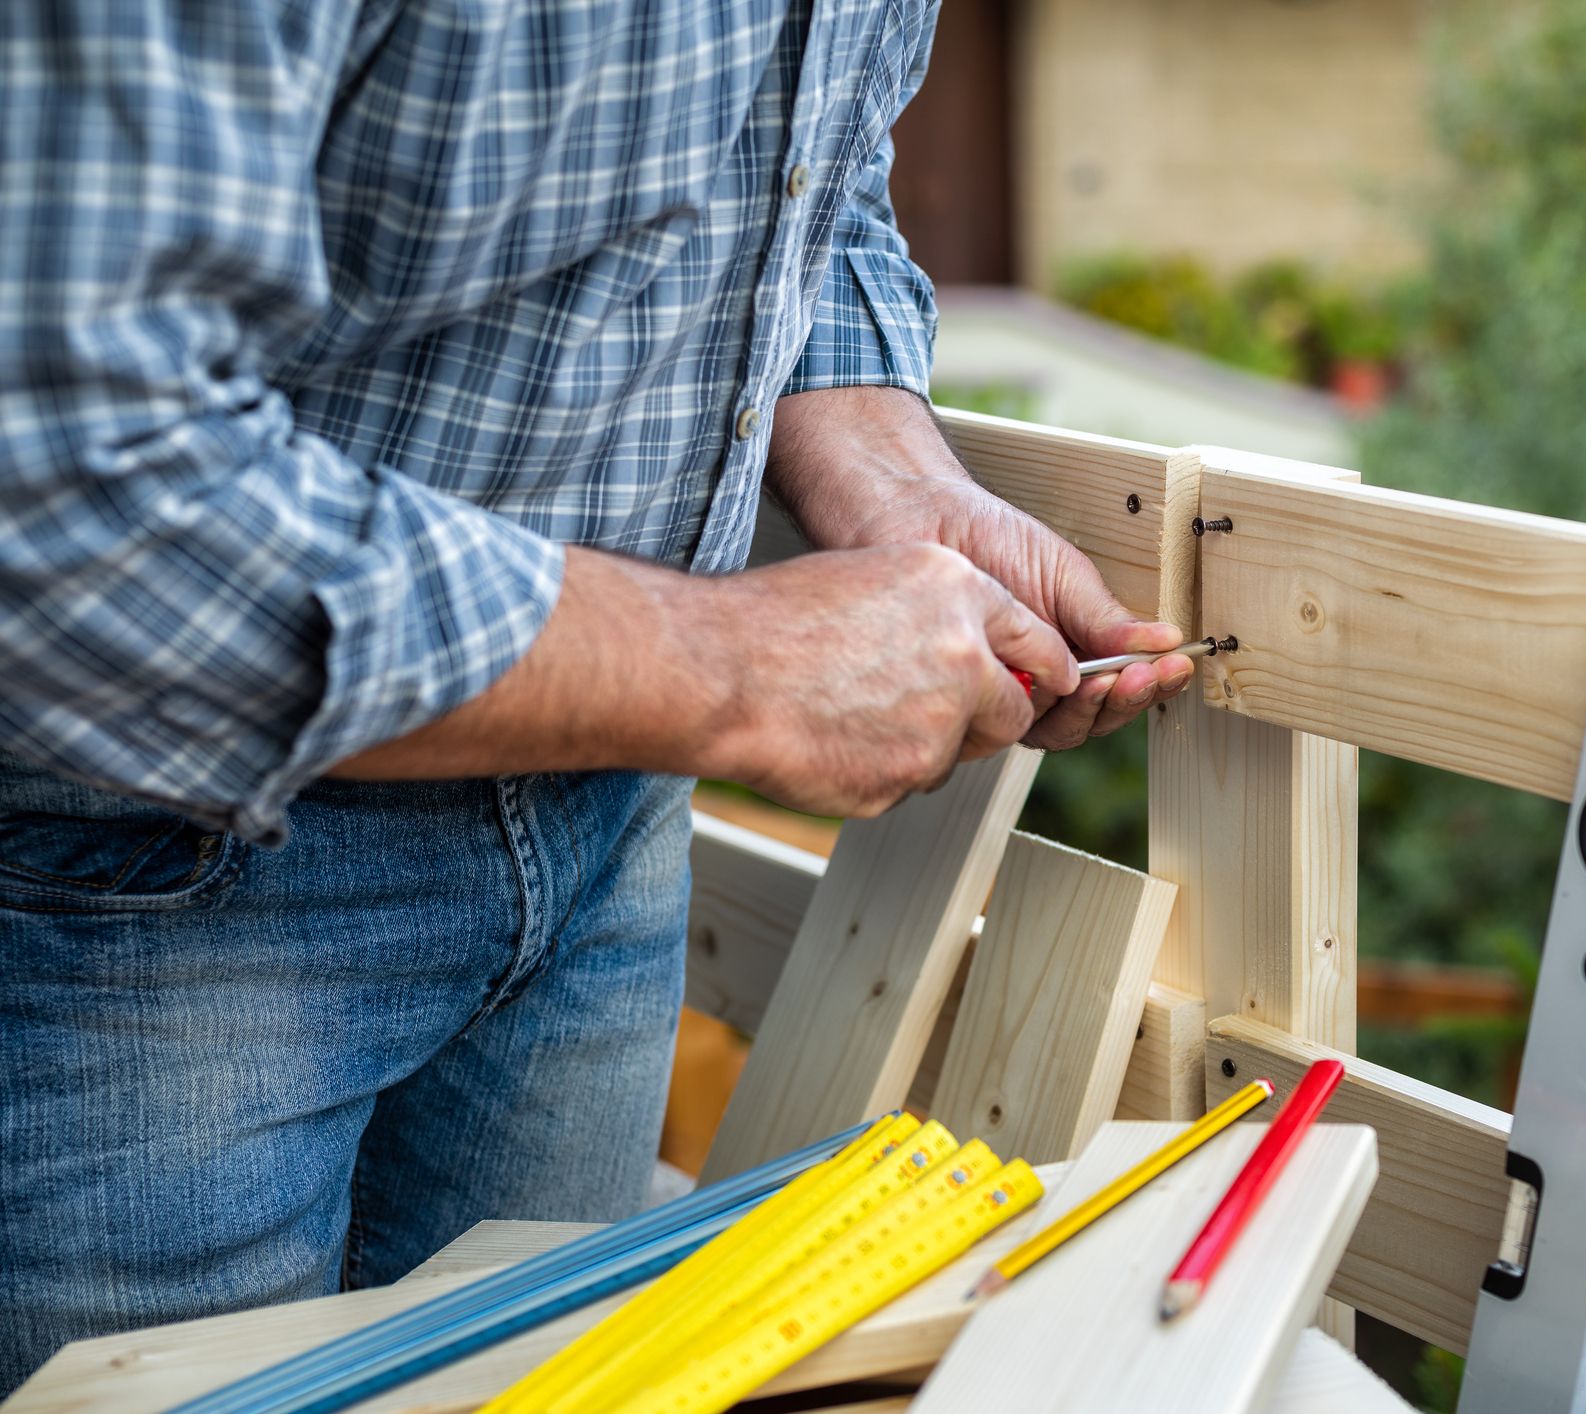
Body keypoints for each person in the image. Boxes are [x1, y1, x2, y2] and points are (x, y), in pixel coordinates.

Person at [0, 0, 1196, 1390]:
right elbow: (67, 469)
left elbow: (803, 182)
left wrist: (898, 483)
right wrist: (742, 668)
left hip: (612, 827)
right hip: (147, 860)